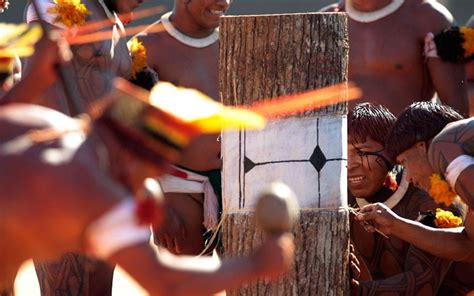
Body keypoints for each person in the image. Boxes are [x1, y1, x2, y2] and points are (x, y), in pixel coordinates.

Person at [0, 99, 294, 296]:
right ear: (130, 157)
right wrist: (254, 265)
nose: (151, 180)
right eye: (156, 168)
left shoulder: (37, 120)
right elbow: (167, 282)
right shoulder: (98, 195)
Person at [21, 0, 145, 294]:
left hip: (107, 181)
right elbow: (35, 85)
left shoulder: (114, 18)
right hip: (60, 176)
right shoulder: (59, 5)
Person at [134, 0, 231, 255]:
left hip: (237, 181)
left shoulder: (236, 41)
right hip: (178, 186)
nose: (225, 3)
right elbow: (129, 139)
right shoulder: (145, 47)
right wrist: (159, 209)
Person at [347, 103, 474, 295]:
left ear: (421, 147)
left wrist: (352, 291)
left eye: (404, 161)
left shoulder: (442, 151)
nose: (349, 164)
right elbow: (468, 246)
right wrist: (395, 224)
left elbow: (423, 287)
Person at [321, 0, 469, 116]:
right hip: (341, 150)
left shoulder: (431, 18)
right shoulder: (324, 21)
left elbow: (456, 109)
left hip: (407, 149)